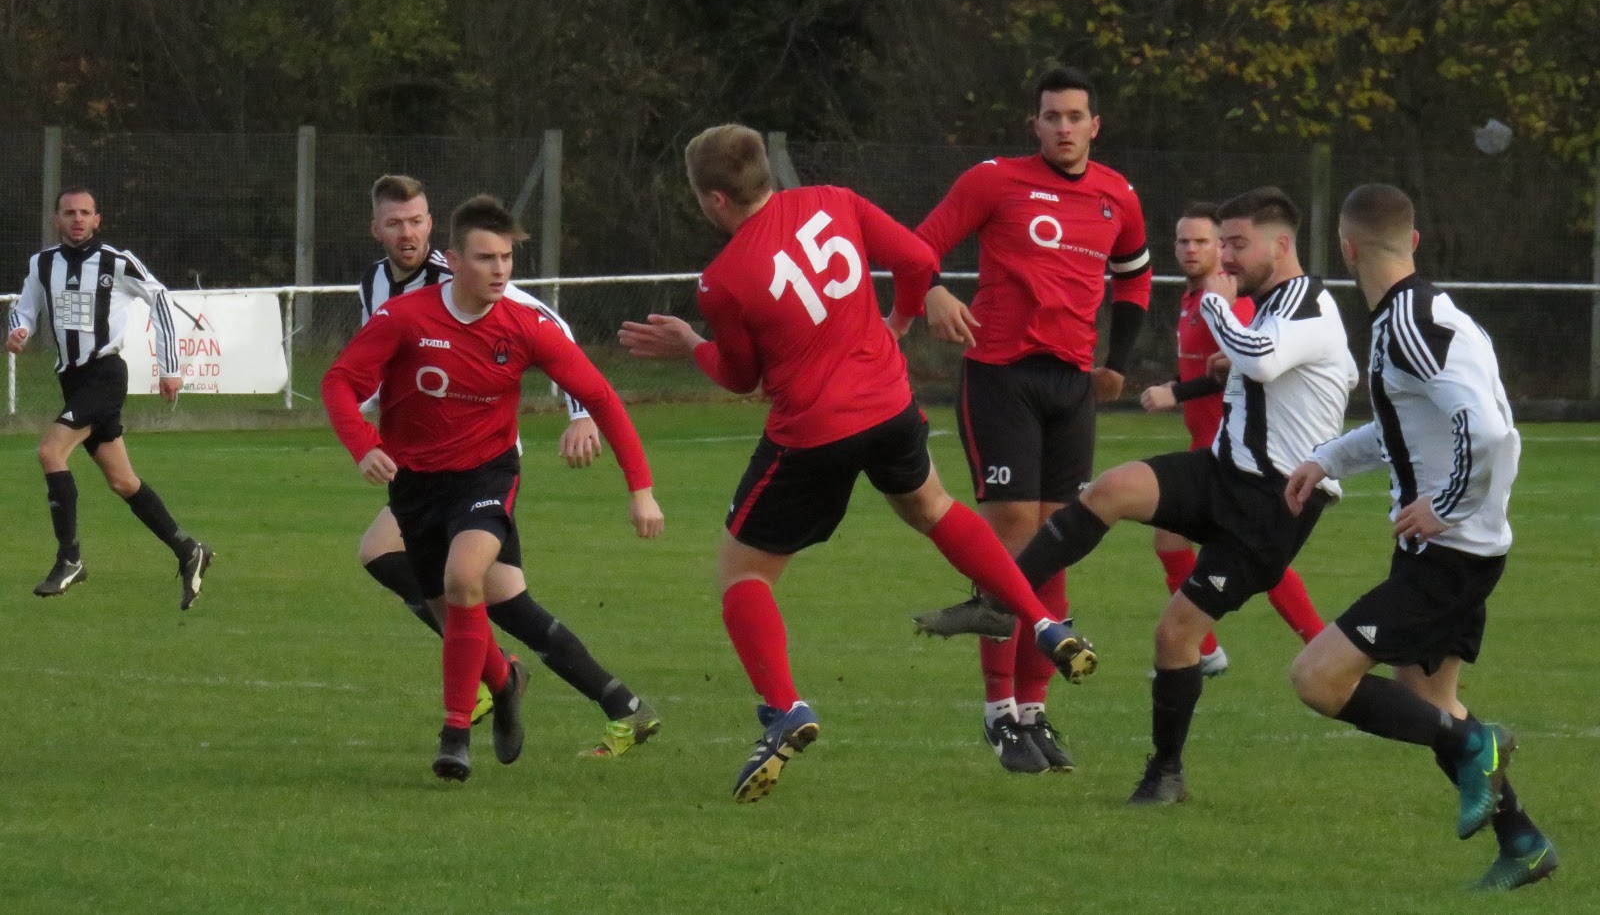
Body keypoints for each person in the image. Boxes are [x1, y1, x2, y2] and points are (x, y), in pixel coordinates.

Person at [618, 123, 1091, 804]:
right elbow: (917, 260)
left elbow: (740, 375)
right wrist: (897, 321)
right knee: (934, 508)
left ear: (714, 200)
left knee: (742, 572)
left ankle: (785, 707)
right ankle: (1043, 622)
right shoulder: (832, 199)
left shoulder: (724, 280)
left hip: (812, 433)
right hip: (889, 406)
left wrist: (692, 343)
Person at [917, 187, 1358, 803]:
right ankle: (1000, 601)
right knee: (1111, 488)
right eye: (1221, 243)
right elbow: (1256, 369)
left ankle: (1166, 773)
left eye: (1236, 244)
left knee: (1174, 637)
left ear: (1281, 245)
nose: (1225, 257)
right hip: (1223, 473)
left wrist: (1220, 310)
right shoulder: (1273, 301)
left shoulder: (1309, 304)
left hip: (1272, 504)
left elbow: (1258, 359)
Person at [322, 195, 664, 781]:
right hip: (416, 482)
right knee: (497, 599)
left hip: (487, 474)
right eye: (487, 258)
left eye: (507, 258)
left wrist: (641, 488)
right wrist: (364, 445)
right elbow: (339, 382)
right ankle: (549, 691)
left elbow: (601, 394)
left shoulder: (523, 319)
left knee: (459, 579)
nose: (501, 269)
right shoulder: (402, 310)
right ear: (455, 260)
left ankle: (455, 733)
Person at [1284, 183, 1556, 891]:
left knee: (1317, 678)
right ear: (1413, 241)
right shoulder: (1429, 312)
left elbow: (1491, 430)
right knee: (1428, 703)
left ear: (1346, 250)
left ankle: (1479, 744)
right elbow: (1415, 427)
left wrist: (1447, 504)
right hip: (1455, 551)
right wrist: (1328, 459)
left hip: (1447, 555)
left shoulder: (1406, 322)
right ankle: (1522, 841)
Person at [908, 66, 1152, 774]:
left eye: (1076, 116)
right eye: (1053, 116)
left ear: (1095, 125)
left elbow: (1134, 274)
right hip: (1000, 376)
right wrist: (934, 294)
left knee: (1056, 543)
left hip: (1070, 384)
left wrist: (1119, 360)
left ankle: (1036, 711)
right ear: (1035, 125)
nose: (1065, 127)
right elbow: (916, 248)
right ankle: (998, 713)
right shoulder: (992, 180)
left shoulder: (1117, 195)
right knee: (1012, 537)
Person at [6, 187, 215, 609]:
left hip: (104, 375)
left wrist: (170, 367)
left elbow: (160, 299)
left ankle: (70, 558)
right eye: (69, 212)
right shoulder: (42, 264)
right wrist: (19, 328)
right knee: (123, 481)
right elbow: (26, 307)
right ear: (57, 219)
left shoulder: (117, 262)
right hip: (72, 379)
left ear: (98, 219)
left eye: (85, 213)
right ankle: (189, 549)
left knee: (50, 452)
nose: (78, 219)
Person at [1139, 203, 1325, 674]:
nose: (1192, 249)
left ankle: (1214, 648)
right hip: (1204, 442)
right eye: (1183, 240)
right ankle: (1206, 649)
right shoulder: (1193, 299)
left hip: (1231, 447)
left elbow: (1246, 369)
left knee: (1252, 558)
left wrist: (1174, 392)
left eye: (1204, 241)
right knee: (1192, 546)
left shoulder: (1235, 303)